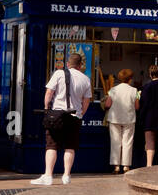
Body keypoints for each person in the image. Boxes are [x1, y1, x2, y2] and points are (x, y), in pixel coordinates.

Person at [33, 50, 92, 186]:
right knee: (70, 146)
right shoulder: (85, 79)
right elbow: (86, 101)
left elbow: (49, 92)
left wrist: (47, 109)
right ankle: (66, 176)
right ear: (80, 65)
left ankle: (48, 176)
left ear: (67, 64)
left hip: (57, 115)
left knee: (51, 146)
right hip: (74, 116)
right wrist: (81, 114)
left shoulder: (59, 73)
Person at [102, 68, 140, 174]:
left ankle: (116, 166)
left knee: (115, 142)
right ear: (130, 79)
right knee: (127, 142)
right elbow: (137, 107)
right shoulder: (135, 91)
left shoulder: (113, 90)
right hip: (129, 118)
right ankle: (126, 166)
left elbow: (107, 104)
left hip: (115, 119)